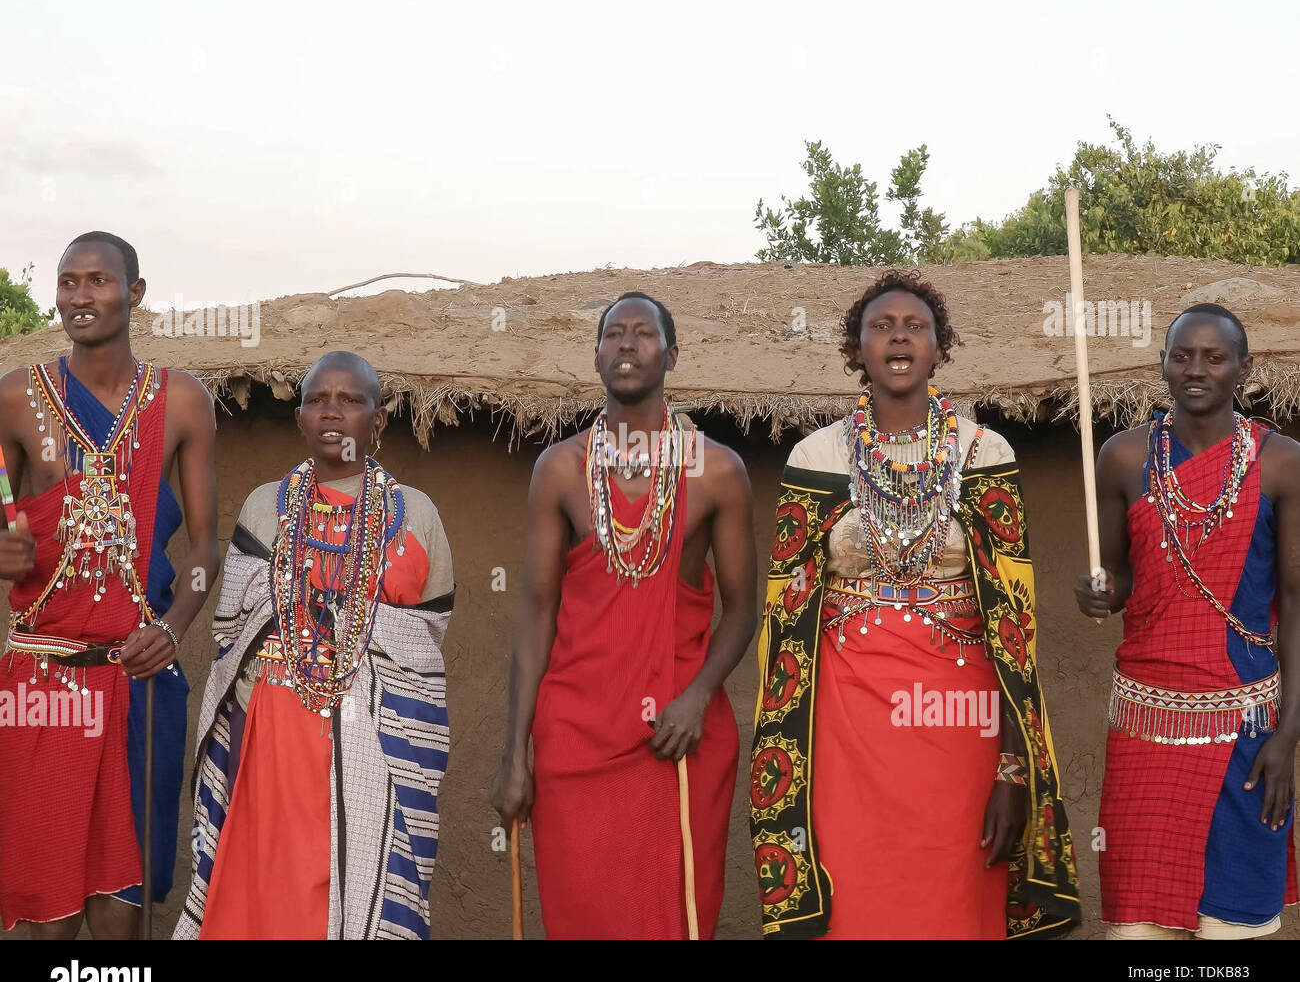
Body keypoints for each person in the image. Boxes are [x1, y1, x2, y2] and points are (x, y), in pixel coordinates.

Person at [751, 269, 1079, 939]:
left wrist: (1013, 768)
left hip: (964, 724)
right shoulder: (817, 456)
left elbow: (1015, 627)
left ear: (938, 347)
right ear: (857, 349)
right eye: (882, 326)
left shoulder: (985, 452)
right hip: (845, 727)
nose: (898, 336)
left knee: (955, 898)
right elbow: (786, 622)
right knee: (858, 901)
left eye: (915, 326)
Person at [491, 291, 755, 939]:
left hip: (675, 739)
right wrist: (515, 753)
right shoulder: (559, 469)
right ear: (597, 354)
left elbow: (743, 608)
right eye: (614, 334)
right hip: (574, 737)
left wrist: (697, 698)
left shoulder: (717, 470)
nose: (628, 344)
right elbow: (536, 611)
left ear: (671, 353)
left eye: (643, 334)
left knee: (672, 915)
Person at [173, 352, 455, 940]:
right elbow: (234, 636)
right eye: (318, 400)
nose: (333, 412)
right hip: (271, 739)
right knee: (267, 899)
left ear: (378, 421)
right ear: (300, 419)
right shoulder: (264, 505)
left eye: (351, 401)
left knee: (357, 898)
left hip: (376, 744)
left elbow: (423, 649)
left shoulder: (418, 515)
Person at [0, 231, 218, 938]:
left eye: (97, 280)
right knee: (52, 910)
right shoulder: (14, 398)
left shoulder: (182, 401)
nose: (79, 296)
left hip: (136, 677)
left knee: (121, 914)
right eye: (67, 282)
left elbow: (205, 547)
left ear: (136, 293)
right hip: (43, 682)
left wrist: (173, 627)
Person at [1077, 304, 1299, 939]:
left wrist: (1288, 737)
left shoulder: (1281, 463)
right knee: (1140, 924)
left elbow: (1296, 601)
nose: (1196, 369)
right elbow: (1117, 576)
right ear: (1163, 365)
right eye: (1182, 356)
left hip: (1247, 732)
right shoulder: (1122, 458)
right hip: (1147, 727)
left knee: (1232, 924)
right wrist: (1099, 591)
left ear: (1244, 369)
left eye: (1214, 357)